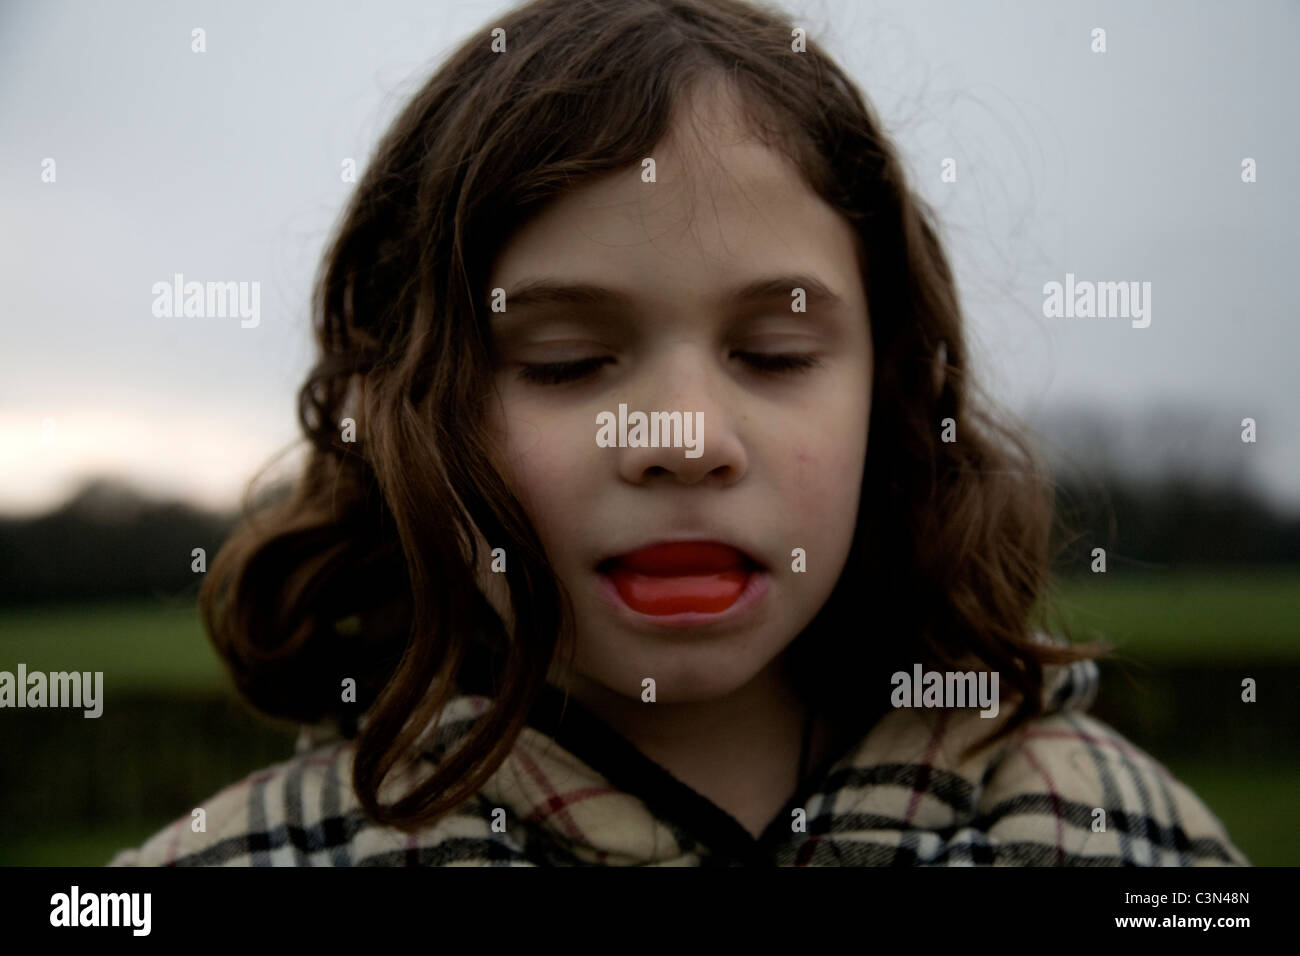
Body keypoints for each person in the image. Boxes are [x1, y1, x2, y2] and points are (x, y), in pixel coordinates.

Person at [109, 0, 1246, 866]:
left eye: (775, 355)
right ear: (403, 400)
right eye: (563, 361)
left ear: (889, 392)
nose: (685, 437)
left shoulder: (1127, 840)